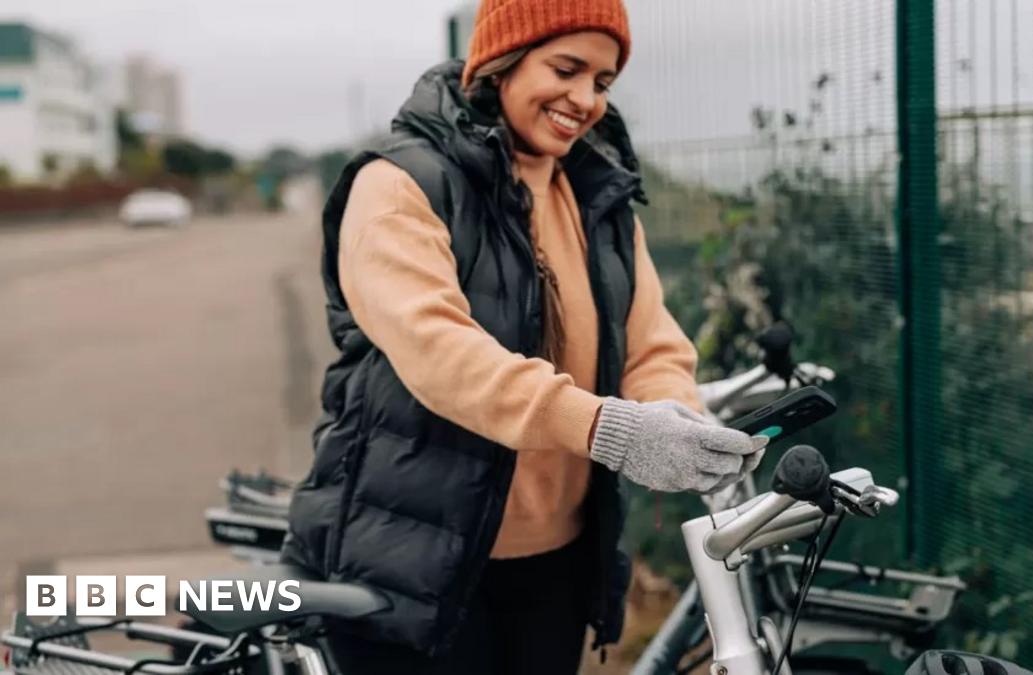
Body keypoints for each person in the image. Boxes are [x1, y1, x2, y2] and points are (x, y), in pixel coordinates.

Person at [280, 1, 766, 672]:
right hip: (407, 562)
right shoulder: (400, 184)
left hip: (556, 567)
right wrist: (608, 428)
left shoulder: (601, 198)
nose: (585, 99)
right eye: (565, 69)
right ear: (499, 62)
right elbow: (440, 353)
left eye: (602, 81)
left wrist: (668, 411)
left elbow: (652, 340)